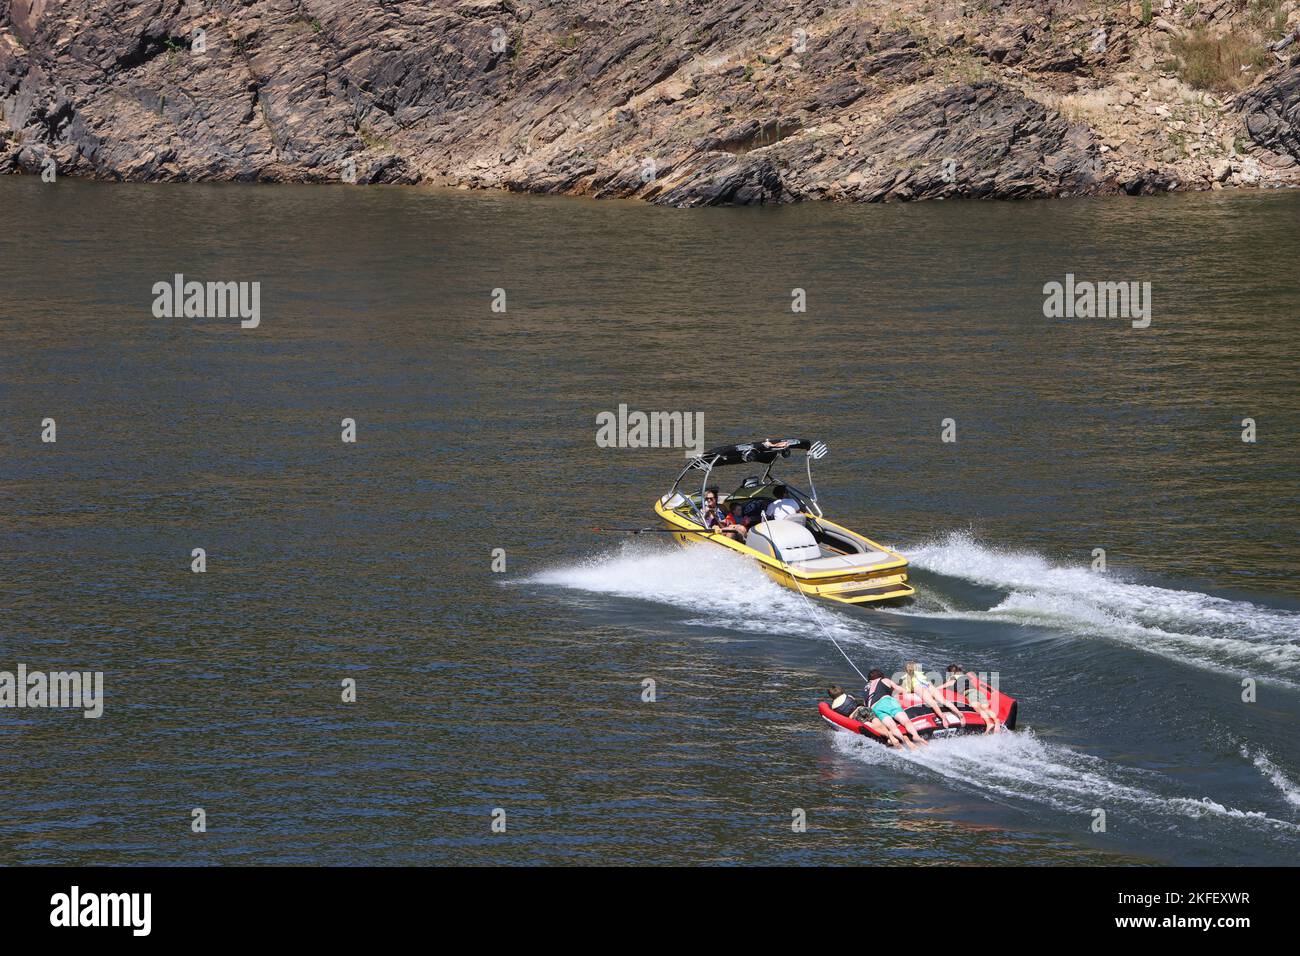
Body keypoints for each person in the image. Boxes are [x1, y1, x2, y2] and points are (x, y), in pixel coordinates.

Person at [826, 686, 907, 749]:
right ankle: (891, 736)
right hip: (864, 709)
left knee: (871, 726)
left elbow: (842, 717)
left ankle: (890, 738)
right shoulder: (849, 696)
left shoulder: (834, 707)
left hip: (855, 715)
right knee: (878, 723)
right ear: (841, 691)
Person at [864, 668, 928, 747]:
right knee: (905, 721)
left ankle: (904, 740)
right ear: (881, 676)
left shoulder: (865, 688)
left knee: (892, 726)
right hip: (887, 701)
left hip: (875, 708)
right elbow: (902, 690)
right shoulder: (884, 680)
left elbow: (866, 704)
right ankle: (915, 736)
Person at [937, 664, 1002, 734]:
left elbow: (945, 685)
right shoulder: (965, 677)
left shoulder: (953, 679)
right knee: (985, 708)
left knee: (977, 707)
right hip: (978, 693)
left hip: (970, 693)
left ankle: (989, 723)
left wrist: (934, 688)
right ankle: (996, 720)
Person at [900, 661, 964, 727]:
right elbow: (928, 682)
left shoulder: (906, 678)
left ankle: (943, 718)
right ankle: (959, 714)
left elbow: (907, 691)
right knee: (943, 701)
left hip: (919, 688)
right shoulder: (919, 673)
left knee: (933, 703)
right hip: (928, 685)